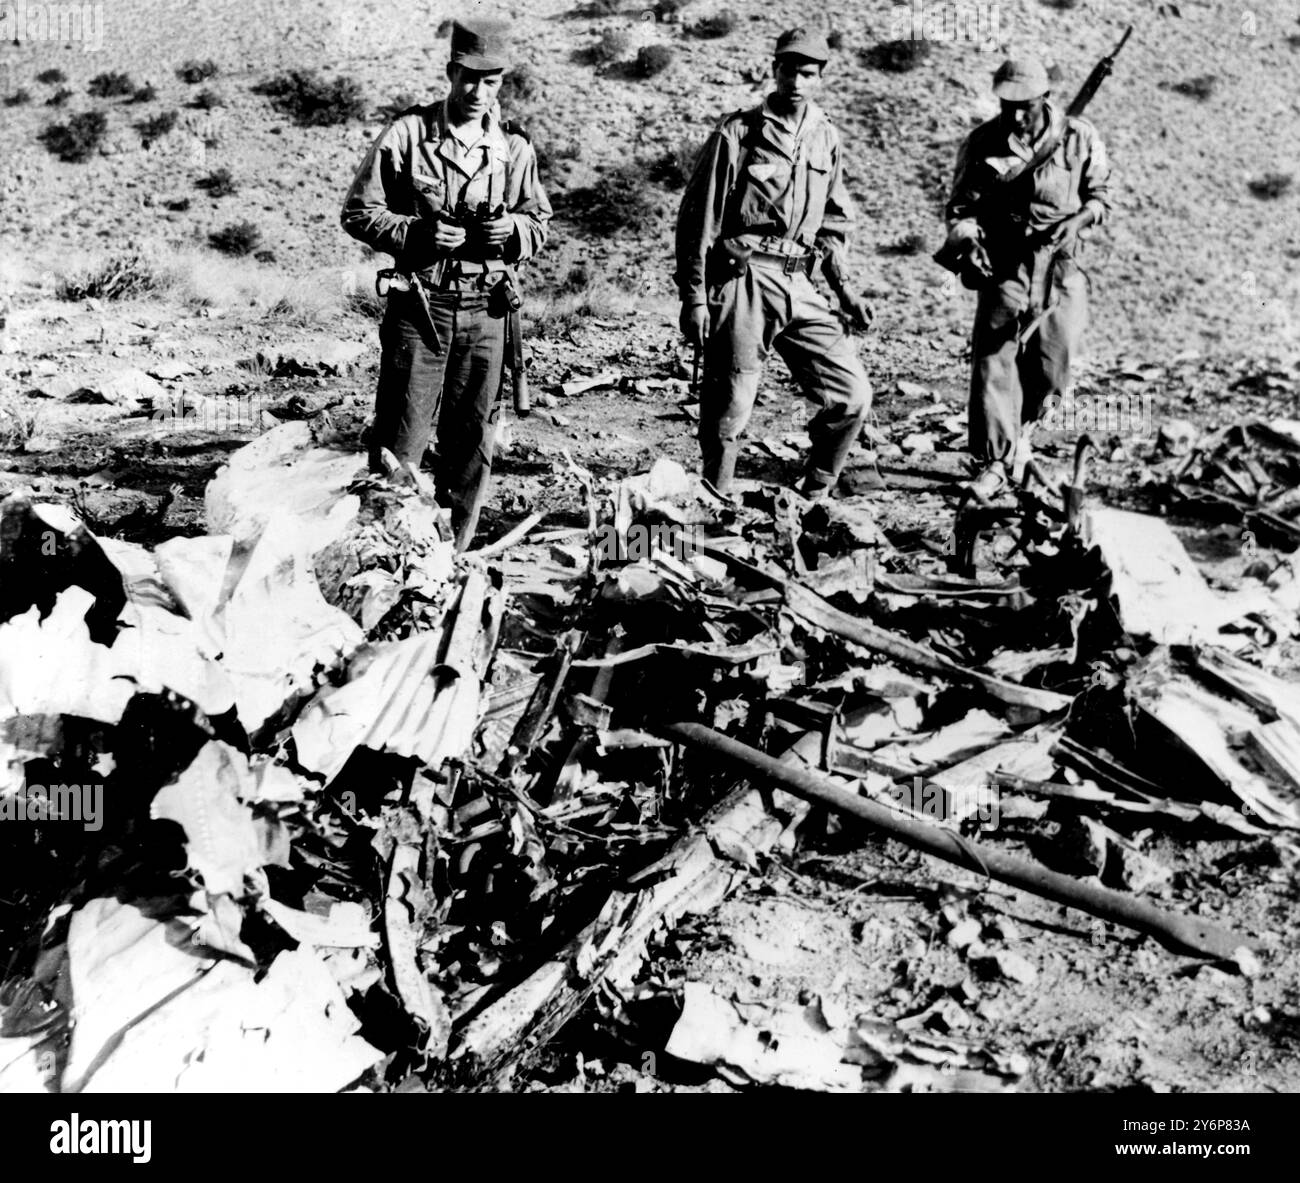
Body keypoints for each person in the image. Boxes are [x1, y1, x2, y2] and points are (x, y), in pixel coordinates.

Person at [341, 18, 551, 546]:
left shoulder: (514, 148)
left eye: (492, 81)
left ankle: (454, 551)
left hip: (488, 309)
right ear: (451, 72)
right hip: (422, 306)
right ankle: (384, 553)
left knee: (472, 440)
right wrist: (419, 234)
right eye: (469, 78)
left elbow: (539, 221)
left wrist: (512, 232)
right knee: (401, 440)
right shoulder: (408, 134)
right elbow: (359, 212)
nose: (479, 93)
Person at [674, 27, 874, 499]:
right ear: (774, 70)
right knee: (730, 406)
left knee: (852, 396)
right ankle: (715, 503)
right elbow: (698, 219)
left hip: (799, 280)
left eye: (808, 74)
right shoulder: (740, 132)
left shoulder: (826, 137)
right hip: (745, 278)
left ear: (821, 78)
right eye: (789, 71)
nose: (797, 82)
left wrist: (844, 289)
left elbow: (832, 224)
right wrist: (695, 297)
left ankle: (817, 491)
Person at [940, 55, 1112, 499]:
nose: (1016, 114)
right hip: (1005, 268)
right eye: (1007, 104)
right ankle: (995, 461)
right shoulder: (983, 142)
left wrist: (1077, 221)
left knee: (1055, 370)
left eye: (1027, 105)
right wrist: (969, 242)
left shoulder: (1078, 138)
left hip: (1059, 270)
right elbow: (960, 211)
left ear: (1045, 97)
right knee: (994, 361)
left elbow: (1101, 197)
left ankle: (1022, 436)